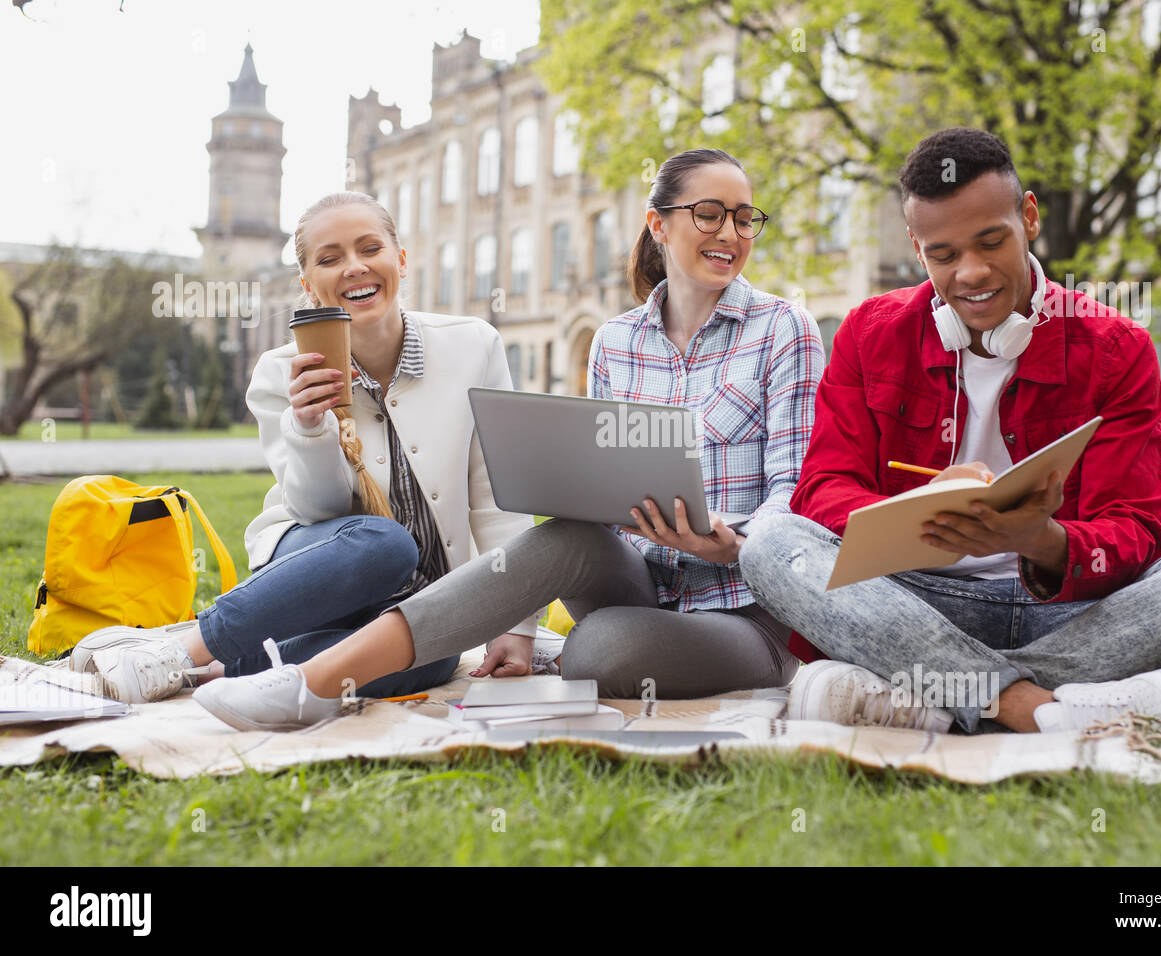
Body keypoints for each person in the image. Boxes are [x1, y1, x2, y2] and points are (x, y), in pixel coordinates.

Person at [191, 147, 826, 732]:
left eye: (744, 219)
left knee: (596, 650)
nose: (730, 234)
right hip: (642, 583)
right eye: (709, 214)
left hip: (745, 610)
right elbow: (611, 482)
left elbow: (792, 495)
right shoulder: (616, 341)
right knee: (570, 534)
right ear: (659, 225)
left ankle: (301, 675)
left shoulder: (784, 329)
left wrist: (732, 546)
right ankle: (312, 684)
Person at [738, 127, 1161, 736]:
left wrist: (1045, 539)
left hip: (1075, 615)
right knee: (770, 540)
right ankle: (1040, 708)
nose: (971, 273)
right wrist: (915, 514)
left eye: (990, 242)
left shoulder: (1116, 346)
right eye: (944, 255)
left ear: (1028, 217)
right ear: (917, 249)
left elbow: (1137, 531)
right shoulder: (870, 332)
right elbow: (822, 490)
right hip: (912, 608)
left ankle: (934, 695)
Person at [71, 191, 536, 703]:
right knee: (385, 545)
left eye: (369, 248)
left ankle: (205, 669)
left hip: (417, 600)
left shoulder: (475, 346)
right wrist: (310, 425)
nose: (354, 268)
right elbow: (319, 511)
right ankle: (186, 651)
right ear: (308, 284)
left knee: (436, 654)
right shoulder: (280, 371)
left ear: (400, 259)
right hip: (322, 563)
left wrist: (515, 624)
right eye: (330, 259)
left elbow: (497, 498)